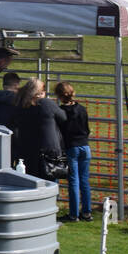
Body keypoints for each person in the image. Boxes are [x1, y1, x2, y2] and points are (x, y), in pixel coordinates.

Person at [54, 82, 93, 222]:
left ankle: (73, 214)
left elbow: (59, 132)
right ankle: (87, 213)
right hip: (85, 147)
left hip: (71, 148)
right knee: (84, 180)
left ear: (59, 96)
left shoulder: (60, 111)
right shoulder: (82, 109)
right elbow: (87, 129)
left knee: (74, 181)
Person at [13, 78, 66, 180]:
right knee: (49, 183)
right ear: (39, 92)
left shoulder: (19, 105)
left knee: (30, 182)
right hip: (48, 153)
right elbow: (63, 117)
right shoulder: (46, 104)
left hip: (27, 150)